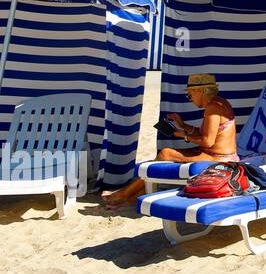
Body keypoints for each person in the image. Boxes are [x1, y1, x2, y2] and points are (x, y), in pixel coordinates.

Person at [101, 74, 237, 208]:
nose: (190, 99)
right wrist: (183, 126)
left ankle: (124, 195)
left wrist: (181, 135)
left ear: (200, 91)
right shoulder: (219, 103)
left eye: (190, 95)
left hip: (219, 158)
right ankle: (131, 195)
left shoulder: (213, 107)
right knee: (164, 155)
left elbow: (207, 142)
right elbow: (207, 134)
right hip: (219, 155)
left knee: (165, 153)